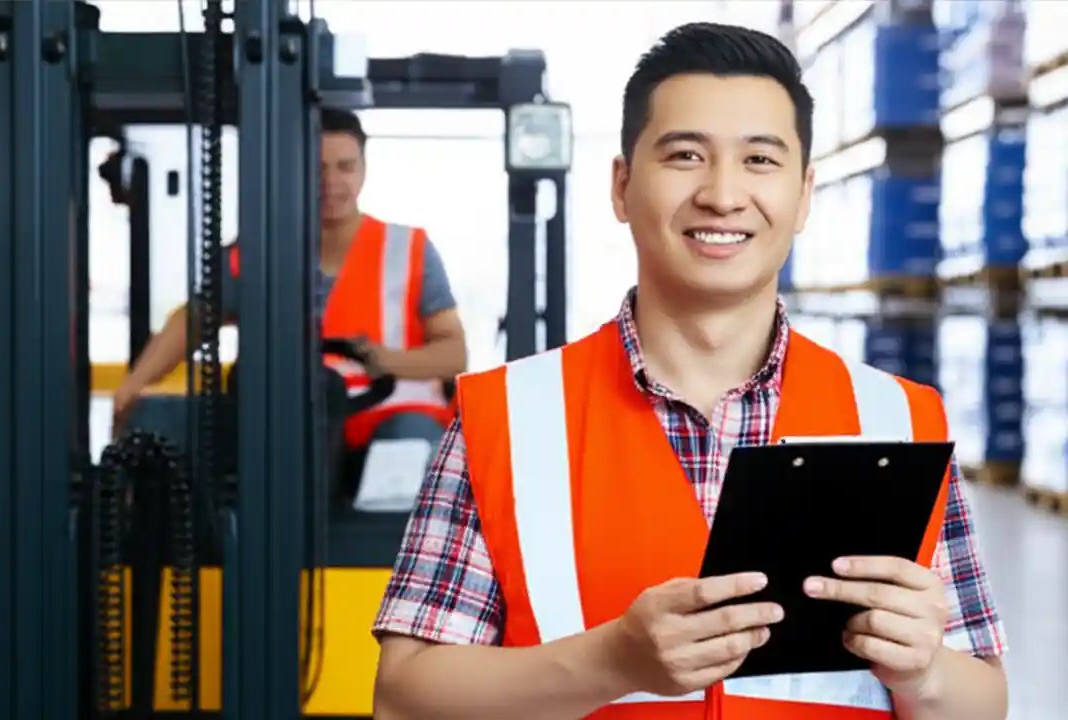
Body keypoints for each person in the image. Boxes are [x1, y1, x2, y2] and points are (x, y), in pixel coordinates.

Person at [369, 22, 1007, 720]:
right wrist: (611, 662)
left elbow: (982, 702)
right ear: (622, 186)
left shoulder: (899, 420)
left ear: (804, 195)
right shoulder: (508, 419)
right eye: (685, 156)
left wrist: (925, 673)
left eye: (759, 160)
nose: (723, 194)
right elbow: (404, 700)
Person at [113, 109, 467, 452]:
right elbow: (194, 319)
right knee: (150, 420)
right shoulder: (259, 250)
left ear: (363, 169)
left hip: (380, 416)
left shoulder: (409, 248)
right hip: (278, 420)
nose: (331, 182)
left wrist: (384, 360)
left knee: (407, 446)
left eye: (345, 167)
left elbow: (454, 354)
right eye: (318, 167)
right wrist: (132, 387)